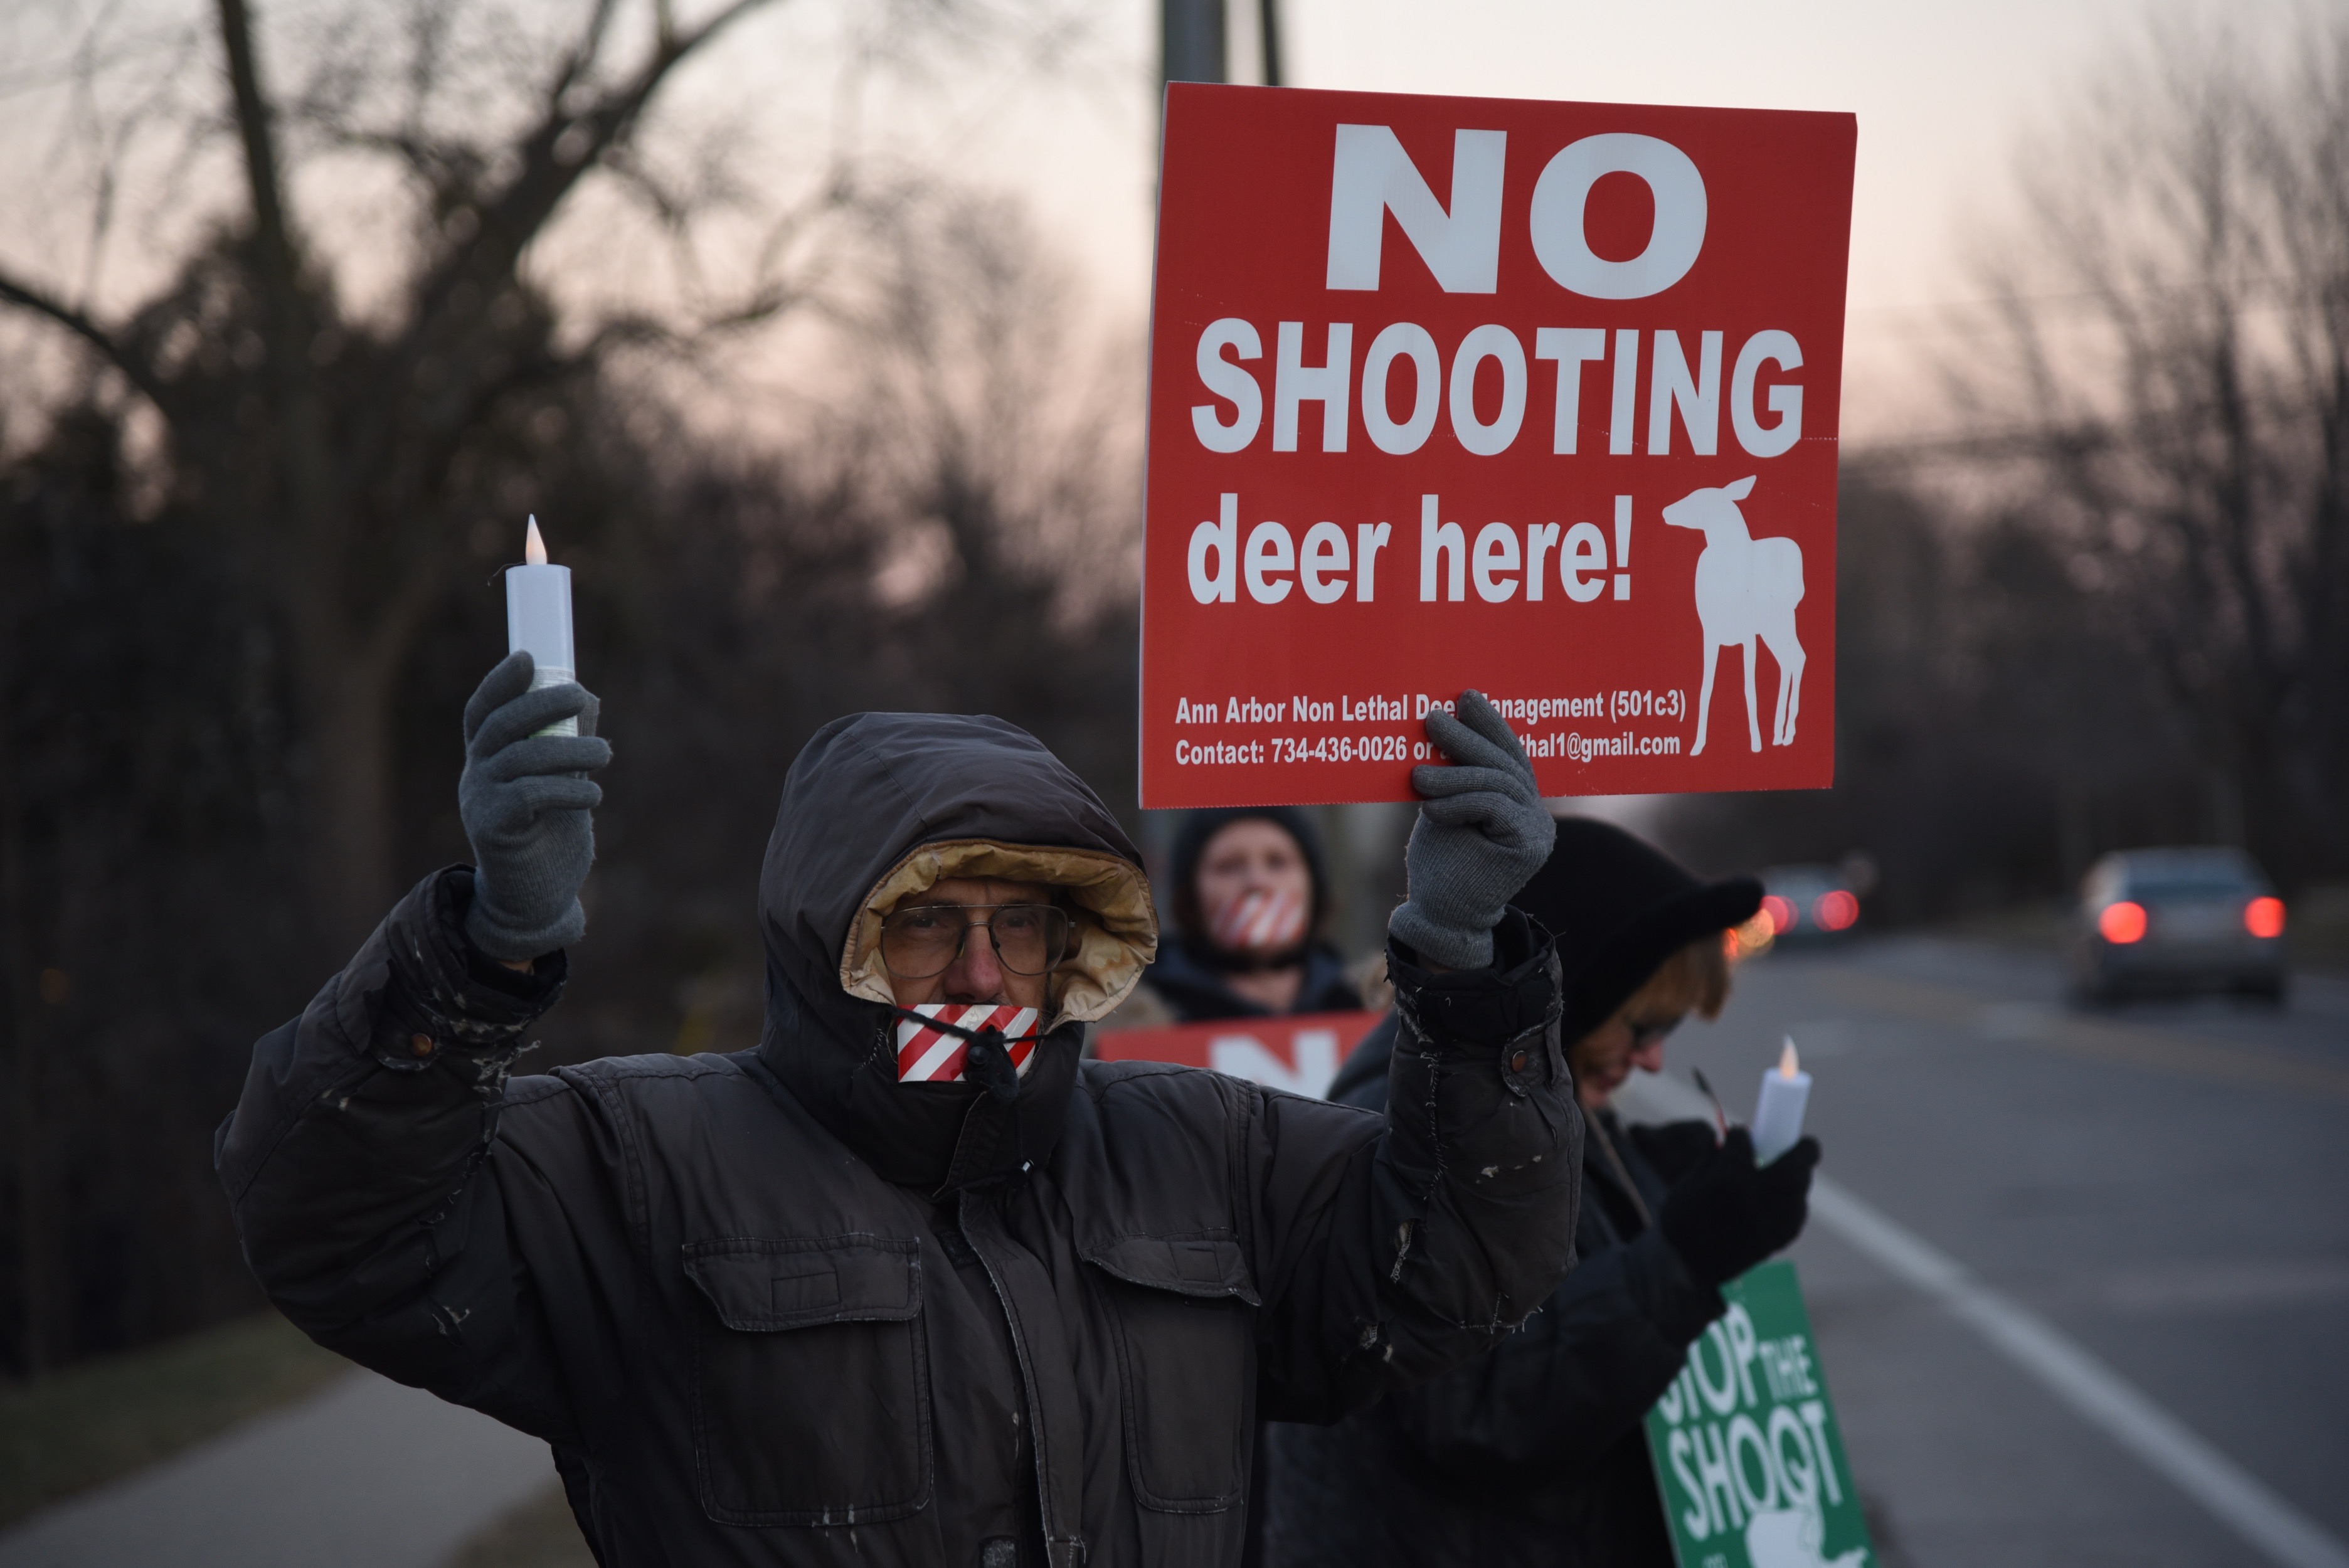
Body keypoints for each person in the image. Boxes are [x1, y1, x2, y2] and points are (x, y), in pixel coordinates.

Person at [216, 657, 1584, 1568]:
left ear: (1076, 945)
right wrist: (484, 949)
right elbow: (339, 1227)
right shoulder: (642, 1162)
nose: (983, 968)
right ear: (831, 936)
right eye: (924, 919)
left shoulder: (1208, 1149)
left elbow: (1461, 1259)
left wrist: (1462, 961)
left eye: (1023, 924)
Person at [1263, 817, 1822, 1568]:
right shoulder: (1418, 1120)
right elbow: (1480, 1405)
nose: (1654, 1060)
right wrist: (1683, 1257)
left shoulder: (1533, 1107)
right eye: (1642, 1023)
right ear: (1568, 986)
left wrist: (1656, 1180)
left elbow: (1559, 1274)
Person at [1115, 808, 1370, 1027]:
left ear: (1314, 888)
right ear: (1191, 898)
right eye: (1229, 866)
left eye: (1277, 863)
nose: (1256, 882)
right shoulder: (1127, 1027)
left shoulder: (1374, 1011)